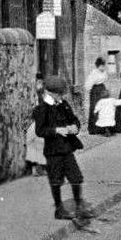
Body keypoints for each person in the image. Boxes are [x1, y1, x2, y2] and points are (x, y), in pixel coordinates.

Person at [32, 75, 95, 221]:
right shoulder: (42, 109)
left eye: (61, 94)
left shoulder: (63, 104)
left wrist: (75, 127)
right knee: (56, 180)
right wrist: (56, 130)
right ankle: (59, 209)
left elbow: (74, 119)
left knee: (76, 177)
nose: (61, 96)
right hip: (53, 151)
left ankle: (79, 207)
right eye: (58, 94)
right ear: (50, 93)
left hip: (67, 148)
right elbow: (40, 131)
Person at [83, 56, 109, 135]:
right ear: (98, 66)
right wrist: (90, 90)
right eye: (101, 66)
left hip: (102, 90)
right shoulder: (94, 73)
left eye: (103, 66)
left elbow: (106, 79)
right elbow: (88, 85)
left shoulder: (104, 72)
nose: (102, 67)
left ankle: (103, 128)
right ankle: (95, 129)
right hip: (96, 92)